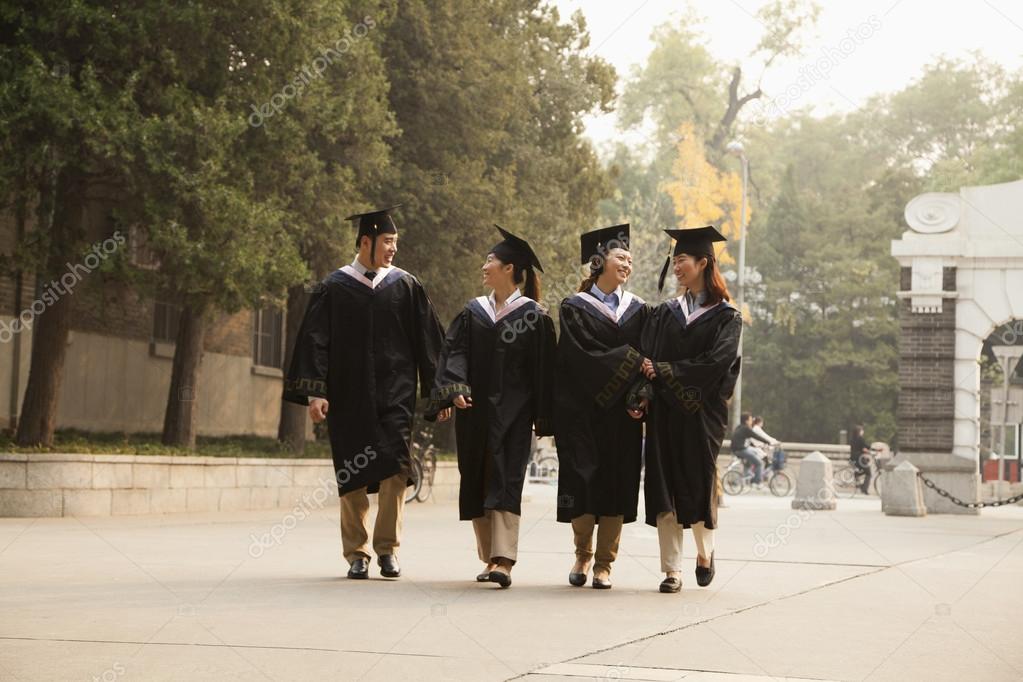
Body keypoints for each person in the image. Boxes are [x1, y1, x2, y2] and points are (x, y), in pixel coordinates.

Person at [283, 205, 444, 581]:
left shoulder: (406, 285)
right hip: (348, 395)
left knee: (396, 470)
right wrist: (316, 392)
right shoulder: (334, 286)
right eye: (388, 241)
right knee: (352, 472)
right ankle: (357, 552)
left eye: (395, 242)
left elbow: (428, 341)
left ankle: (387, 549)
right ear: (366, 241)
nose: (393, 249)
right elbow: (315, 342)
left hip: (396, 395)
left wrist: (441, 393)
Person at [425, 225, 556, 589]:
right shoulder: (473, 313)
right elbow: (454, 354)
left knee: (506, 481)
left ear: (510, 269)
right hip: (475, 412)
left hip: (514, 416)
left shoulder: (534, 316)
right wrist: (454, 389)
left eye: (490, 260)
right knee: (478, 480)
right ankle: (488, 556)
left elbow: (543, 371)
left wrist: (541, 416)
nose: (484, 267)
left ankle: (504, 560)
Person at [640, 226, 741, 594]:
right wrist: (645, 392)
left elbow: (718, 363)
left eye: (682, 259)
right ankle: (671, 570)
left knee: (697, 484)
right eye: (675, 260)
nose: (677, 266)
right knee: (663, 484)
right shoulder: (666, 313)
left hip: (701, 414)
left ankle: (704, 552)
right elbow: (648, 356)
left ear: (703, 262)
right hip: (665, 411)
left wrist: (666, 371)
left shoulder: (727, 317)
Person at [554, 224, 651, 590]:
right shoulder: (574, 307)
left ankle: (605, 563)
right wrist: (630, 357)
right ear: (600, 262)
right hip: (582, 412)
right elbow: (578, 358)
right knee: (582, 480)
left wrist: (641, 395)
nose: (627, 263)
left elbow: (651, 360)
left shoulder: (639, 311)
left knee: (616, 484)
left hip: (622, 414)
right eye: (620, 257)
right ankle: (582, 553)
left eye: (630, 258)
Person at [732, 413, 772, 486]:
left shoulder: (739, 427)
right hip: (741, 450)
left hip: (737, 449)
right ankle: (756, 481)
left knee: (754, 453)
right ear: (746, 421)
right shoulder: (746, 428)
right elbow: (756, 436)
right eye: (750, 420)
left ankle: (748, 472)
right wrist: (767, 442)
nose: (752, 422)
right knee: (759, 463)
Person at [849, 424, 872, 494]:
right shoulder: (860, 439)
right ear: (859, 431)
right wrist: (874, 449)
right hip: (859, 459)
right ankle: (864, 488)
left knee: (860, 471)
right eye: (862, 430)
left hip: (852, 459)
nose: (863, 431)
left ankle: (858, 483)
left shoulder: (852, 439)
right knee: (868, 473)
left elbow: (860, 448)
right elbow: (865, 447)